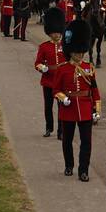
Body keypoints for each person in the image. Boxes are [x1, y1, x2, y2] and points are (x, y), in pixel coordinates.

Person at [52, 19, 101, 180]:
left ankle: (83, 170)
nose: (80, 54)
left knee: (86, 142)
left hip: (86, 109)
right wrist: (63, 98)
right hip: (69, 109)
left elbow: (94, 90)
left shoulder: (89, 68)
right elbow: (56, 90)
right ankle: (68, 165)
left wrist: (97, 110)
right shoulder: (63, 69)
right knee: (67, 140)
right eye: (76, 51)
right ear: (70, 51)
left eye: (81, 51)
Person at [35, 8, 67, 139]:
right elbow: (37, 63)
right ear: (50, 33)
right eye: (55, 32)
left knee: (61, 108)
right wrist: (43, 68)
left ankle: (61, 130)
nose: (57, 35)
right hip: (48, 81)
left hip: (61, 82)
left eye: (59, 32)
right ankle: (49, 127)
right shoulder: (44, 47)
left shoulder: (65, 45)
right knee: (48, 107)